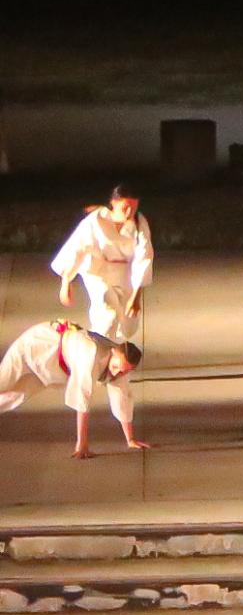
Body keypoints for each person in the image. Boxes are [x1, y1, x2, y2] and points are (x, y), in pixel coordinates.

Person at [0, 320, 145, 459]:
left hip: (50, 366)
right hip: (36, 344)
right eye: (116, 367)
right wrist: (81, 444)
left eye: (124, 371)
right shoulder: (92, 355)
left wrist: (130, 439)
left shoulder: (120, 365)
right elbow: (82, 399)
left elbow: (122, 400)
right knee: (3, 383)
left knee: (15, 397)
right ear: (113, 352)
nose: (118, 373)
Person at [51, 186, 154, 344]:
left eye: (133, 208)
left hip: (125, 272)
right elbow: (78, 248)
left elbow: (144, 257)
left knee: (127, 323)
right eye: (125, 208)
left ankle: (114, 347)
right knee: (106, 313)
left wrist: (136, 297)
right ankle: (100, 348)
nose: (129, 213)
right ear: (114, 203)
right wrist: (66, 282)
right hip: (98, 271)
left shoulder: (139, 224)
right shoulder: (95, 220)